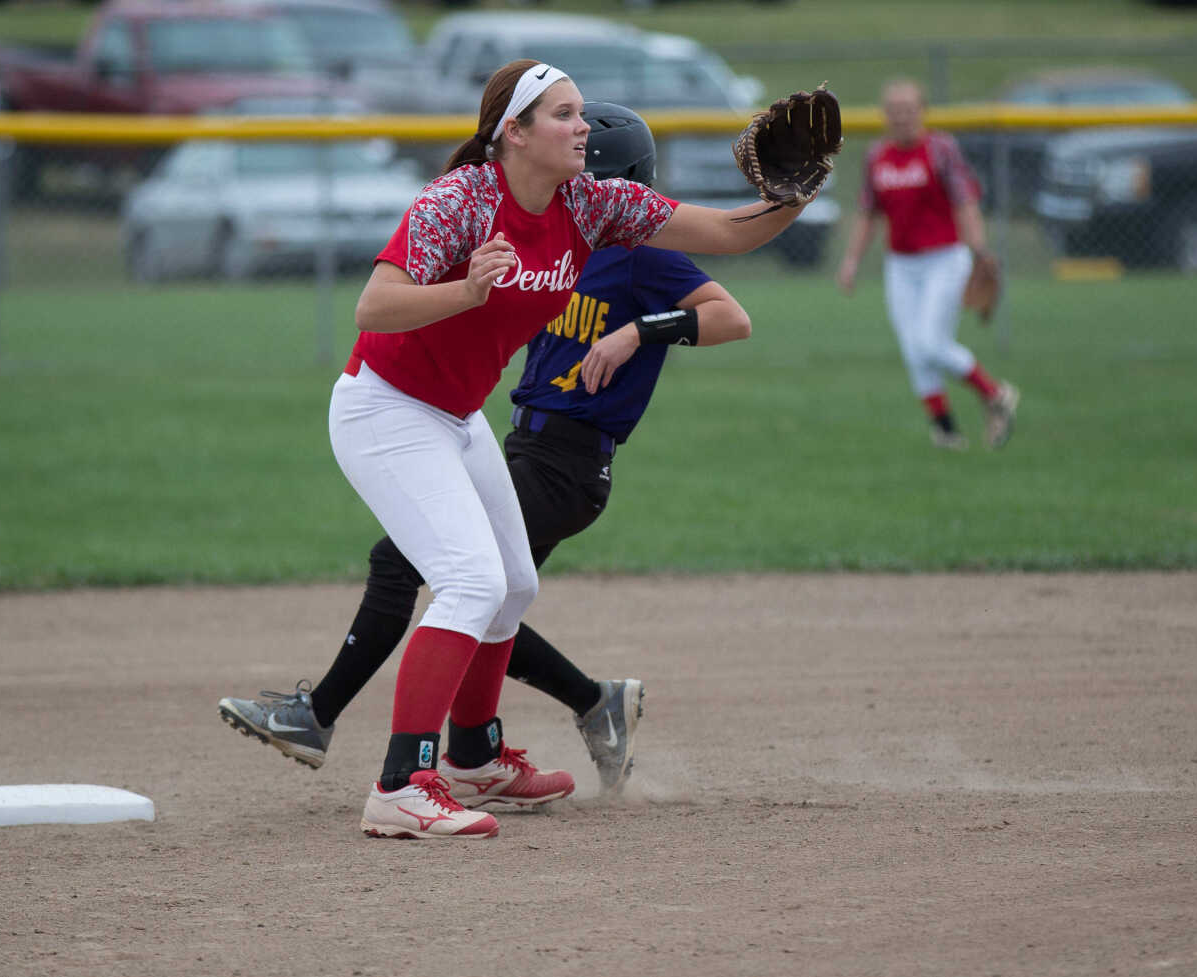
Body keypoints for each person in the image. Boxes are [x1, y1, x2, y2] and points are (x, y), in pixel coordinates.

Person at [226, 60, 820, 840]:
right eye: (566, 114)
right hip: (385, 408)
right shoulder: (461, 200)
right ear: (515, 132)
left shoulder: (590, 203)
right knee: (469, 580)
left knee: (511, 583)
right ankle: (401, 784)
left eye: (581, 114)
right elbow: (374, 304)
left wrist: (793, 194)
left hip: (456, 416)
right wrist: (466, 292)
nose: (584, 127)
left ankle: (474, 760)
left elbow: (723, 232)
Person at [836, 79, 1020, 451]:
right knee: (913, 349)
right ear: (884, 115)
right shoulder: (877, 156)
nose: (902, 117)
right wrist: (852, 260)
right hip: (901, 265)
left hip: (945, 259)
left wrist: (980, 250)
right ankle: (945, 430)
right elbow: (868, 213)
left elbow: (965, 201)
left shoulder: (940, 149)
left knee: (931, 344)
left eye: (909, 109)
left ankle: (996, 393)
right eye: (894, 110)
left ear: (923, 112)